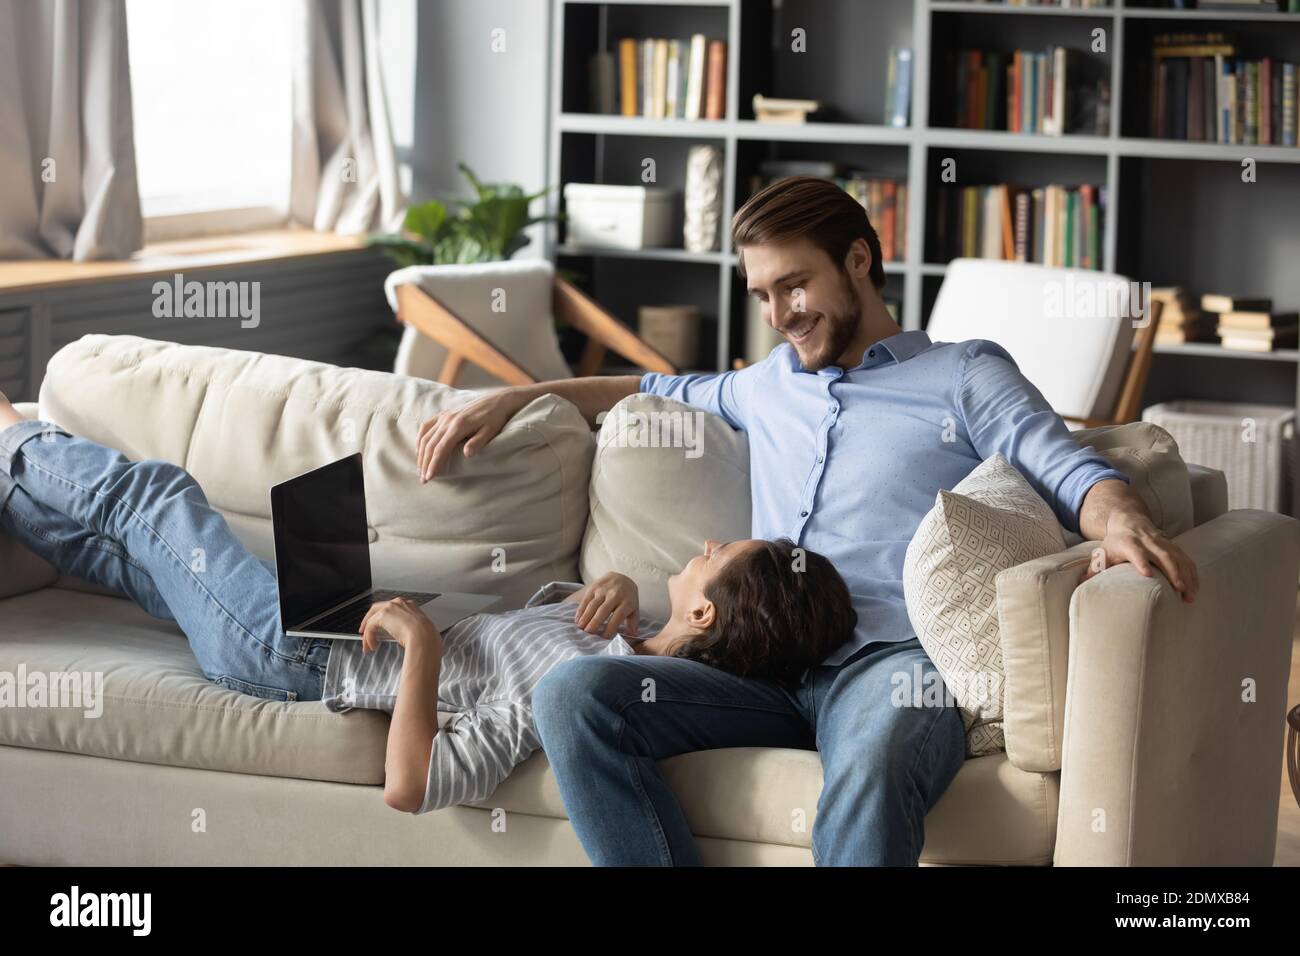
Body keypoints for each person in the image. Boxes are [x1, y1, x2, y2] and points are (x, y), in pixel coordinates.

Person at [412, 175, 1201, 866]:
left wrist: (1122, 522)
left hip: (887, 666)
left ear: (859, 259)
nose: (780, 313)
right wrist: (513, 397)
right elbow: (642, 386)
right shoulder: (764, 385)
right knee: (574, 695)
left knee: (880, 753)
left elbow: (1064, 465)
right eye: (761, 294)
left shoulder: (962, 375)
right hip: (754, 671)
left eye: (794, 285)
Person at [0, 392, 855, 814]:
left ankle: (11, 432)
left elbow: (412, 785)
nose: (704, 546)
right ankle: (11, 482)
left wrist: (422, 647)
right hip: (340, 620)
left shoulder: (584, 688)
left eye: (718, 556)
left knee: (158, 503)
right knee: (125, 559)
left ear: (706, 615)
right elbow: (538, 636)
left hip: (292, 654)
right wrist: (616, 593)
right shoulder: (618, 640)